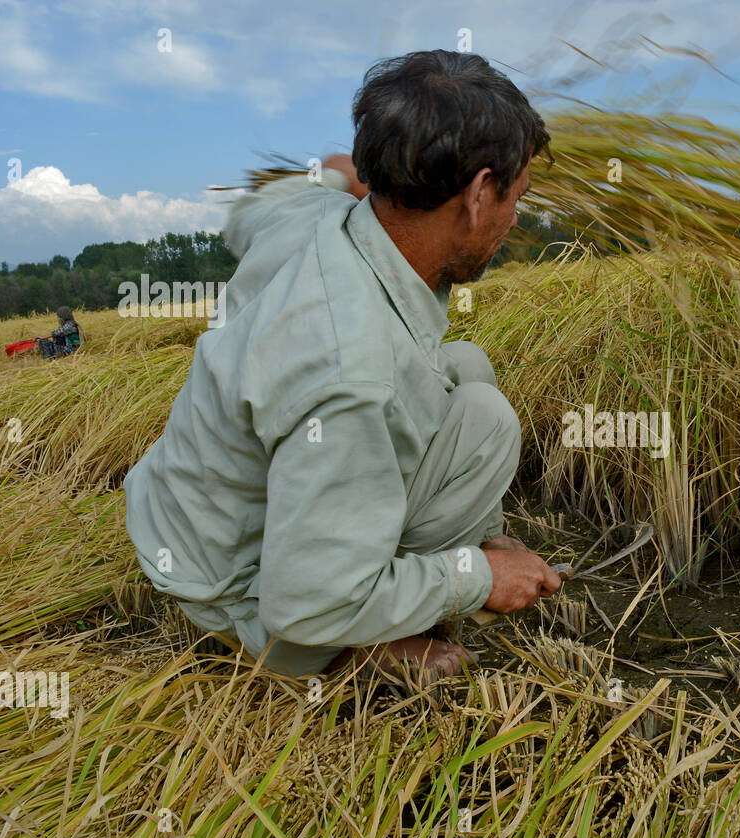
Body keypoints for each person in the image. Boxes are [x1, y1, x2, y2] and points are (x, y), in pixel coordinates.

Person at [123, 51, 564, 680]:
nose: (514, 219)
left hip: (180, 522)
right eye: (514, 198)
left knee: (465, 366)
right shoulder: (349, 369)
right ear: (475, 195)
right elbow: (302, 603)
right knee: (489, 421)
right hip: (241, 597)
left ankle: (434, 564)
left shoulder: (317, 215)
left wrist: (338, 179)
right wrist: (475, 578)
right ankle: (356, 645)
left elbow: (258, 209)